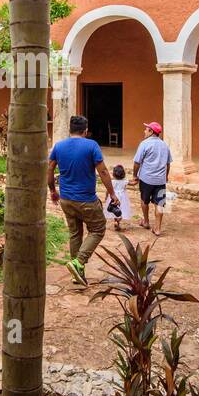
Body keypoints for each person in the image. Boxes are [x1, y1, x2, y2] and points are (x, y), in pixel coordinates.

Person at [48, 114, 118, 283]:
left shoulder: (58, 146)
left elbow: (49, 170)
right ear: (85, 131)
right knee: (98, 229)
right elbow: (103, 171)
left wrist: (52, 190)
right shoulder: (91, 146)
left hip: (66, 198)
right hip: (86, 199)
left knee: (75, 234)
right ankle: (79, 262)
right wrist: (112, 193)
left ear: (69, 130)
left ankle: (77, 274)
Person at [132, 121, 172, 236]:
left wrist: (135, 176)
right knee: (159, 203)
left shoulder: (144, 144)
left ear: (151, 131)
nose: (144, 131)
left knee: (144, 200)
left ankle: (146, 221)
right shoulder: (164, 145)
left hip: (146, 179)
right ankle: (158, 228)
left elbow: (136, 162)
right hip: (160, 180)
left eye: (146, 129)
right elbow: (168, 164)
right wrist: (166, 176)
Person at [108, 164, 132, 231]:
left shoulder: (112, 181)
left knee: (115, 210)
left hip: (114, 197)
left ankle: (116, 221)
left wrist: (106, 196)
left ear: (114, 174)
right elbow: (133, 183)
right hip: (122, 198)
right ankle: (118, 221)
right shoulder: (125, 181)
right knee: (122, 210)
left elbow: (109, 189)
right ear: (123, 174)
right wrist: (137, 179)